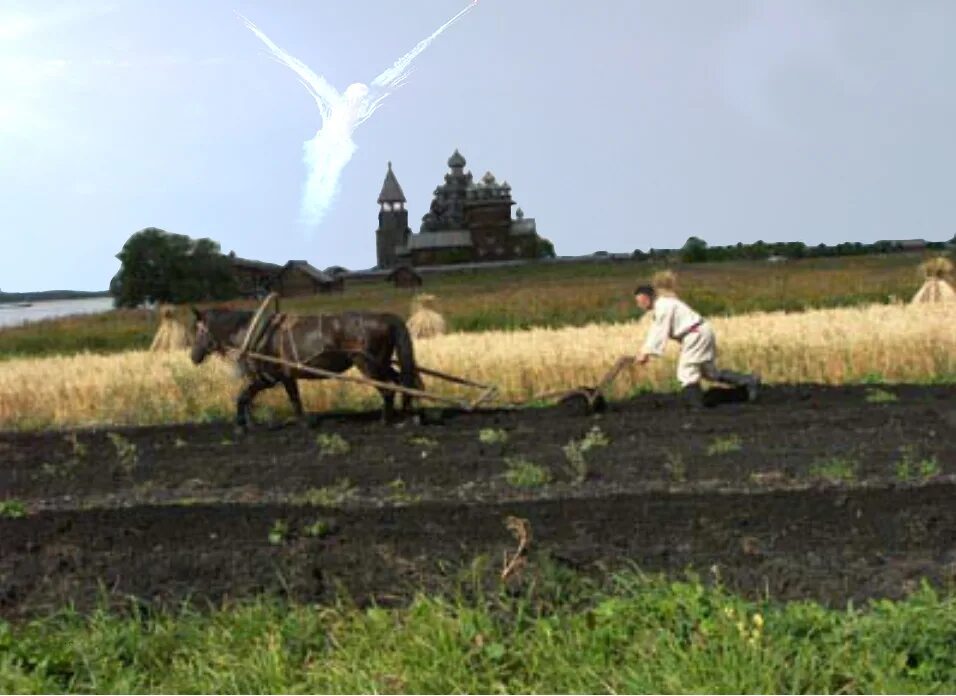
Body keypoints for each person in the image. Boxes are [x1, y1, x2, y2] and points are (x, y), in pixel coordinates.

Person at [633, 284, 760, 407]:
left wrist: (646, 352)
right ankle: (749, 381)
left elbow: (659, 331)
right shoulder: (664, 305)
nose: (638, 305)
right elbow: (656, 330)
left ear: (648, 297)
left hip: (695, 335)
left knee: (686, 372)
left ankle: (697, 406)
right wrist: (645, 351)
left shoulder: (663, 307)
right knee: (710, 373)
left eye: (640, 301)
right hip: (699, 333)